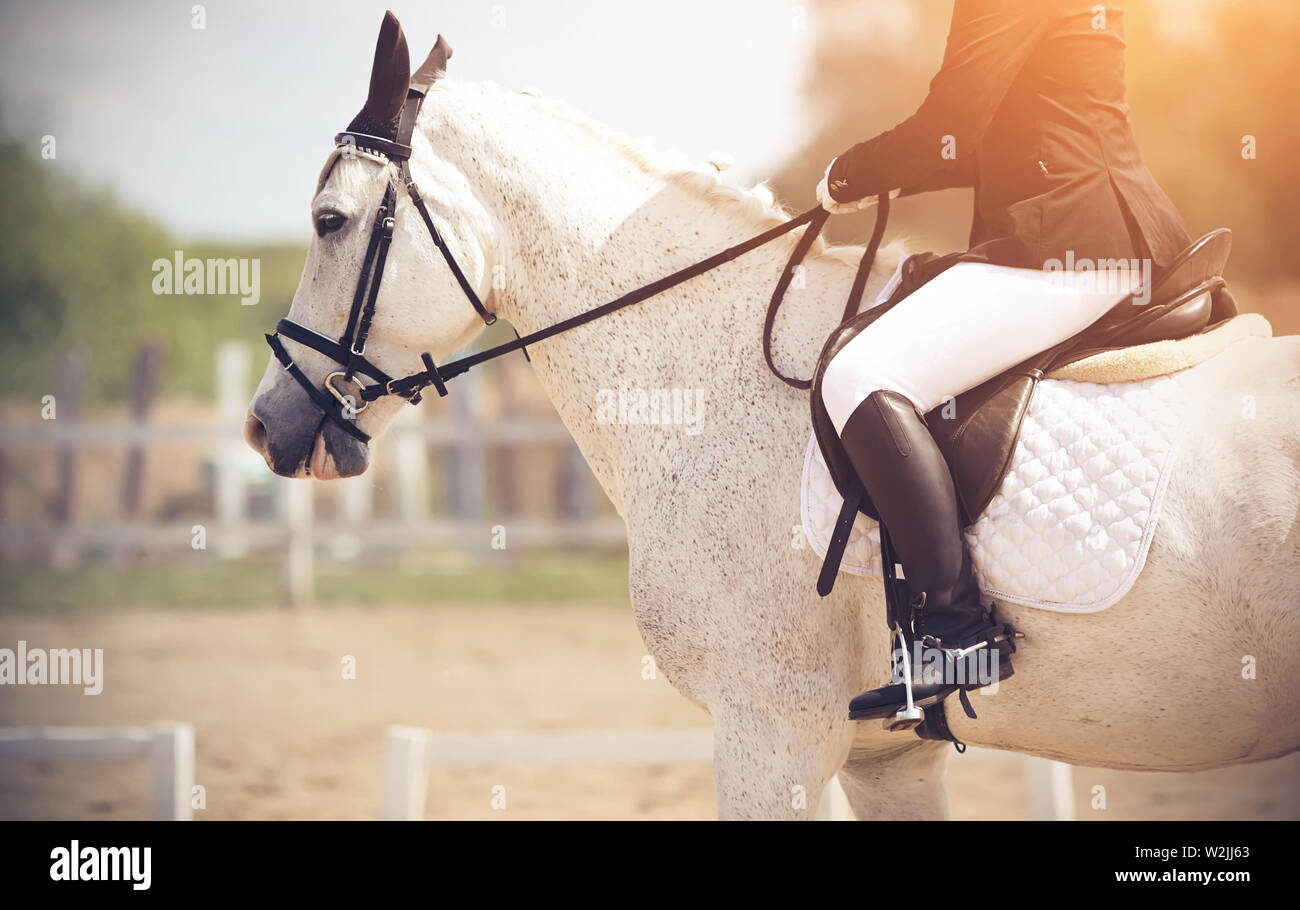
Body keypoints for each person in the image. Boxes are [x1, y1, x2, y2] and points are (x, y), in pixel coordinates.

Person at [814, 0, 1192, 715]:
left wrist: (844, 175)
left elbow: (947, 130)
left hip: (1070, 243)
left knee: (861, 377)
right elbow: (989, 139)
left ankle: (953, 633)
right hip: (1109, 228)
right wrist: (881, 179)